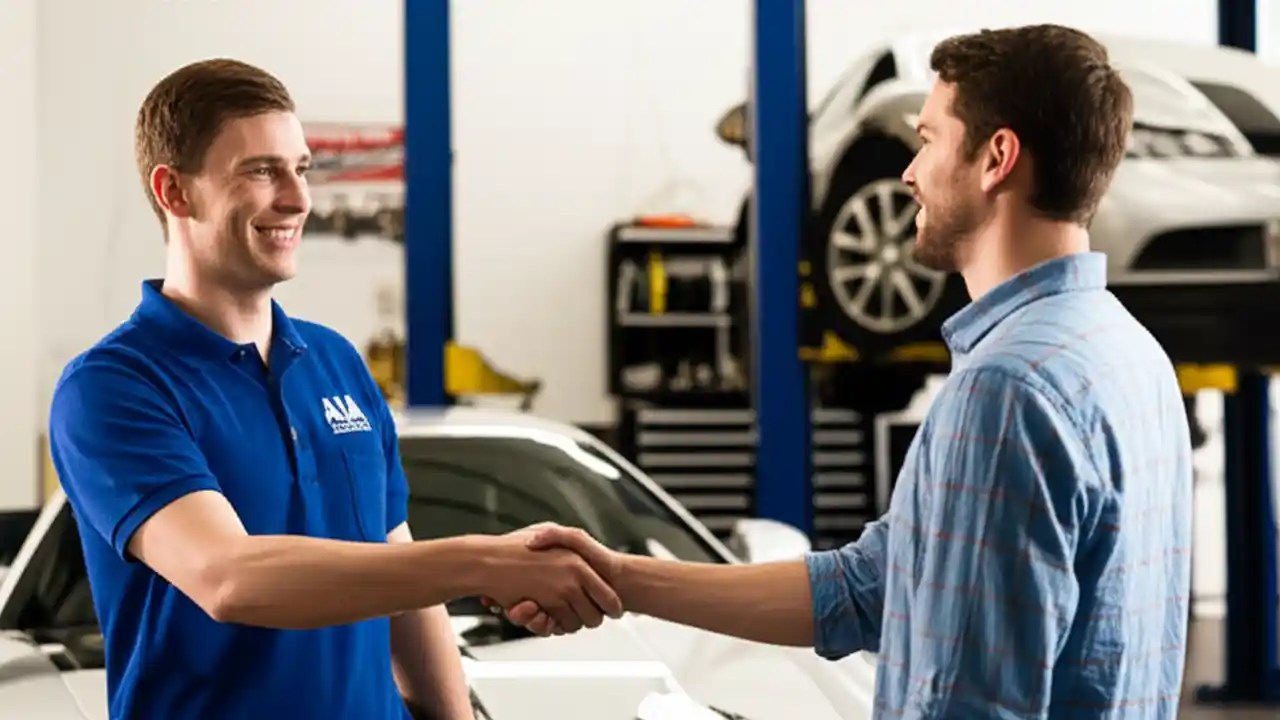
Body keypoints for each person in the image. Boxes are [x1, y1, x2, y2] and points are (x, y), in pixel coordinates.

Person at [494, 24, 1194, 719]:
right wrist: (621, 579)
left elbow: (972, 703)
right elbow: (868, 589)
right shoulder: (1132, 356)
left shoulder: (1005, 389)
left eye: (927, 141)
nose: (909, 174)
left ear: (996, 158)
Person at [47, 59, 621, 720]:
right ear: (175, 192)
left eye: (303, 168)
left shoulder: (335, 361)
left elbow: (398, 571)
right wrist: (482, 562)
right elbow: (230, 577)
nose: (297, 198)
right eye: (261, 171)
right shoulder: (114, 387)